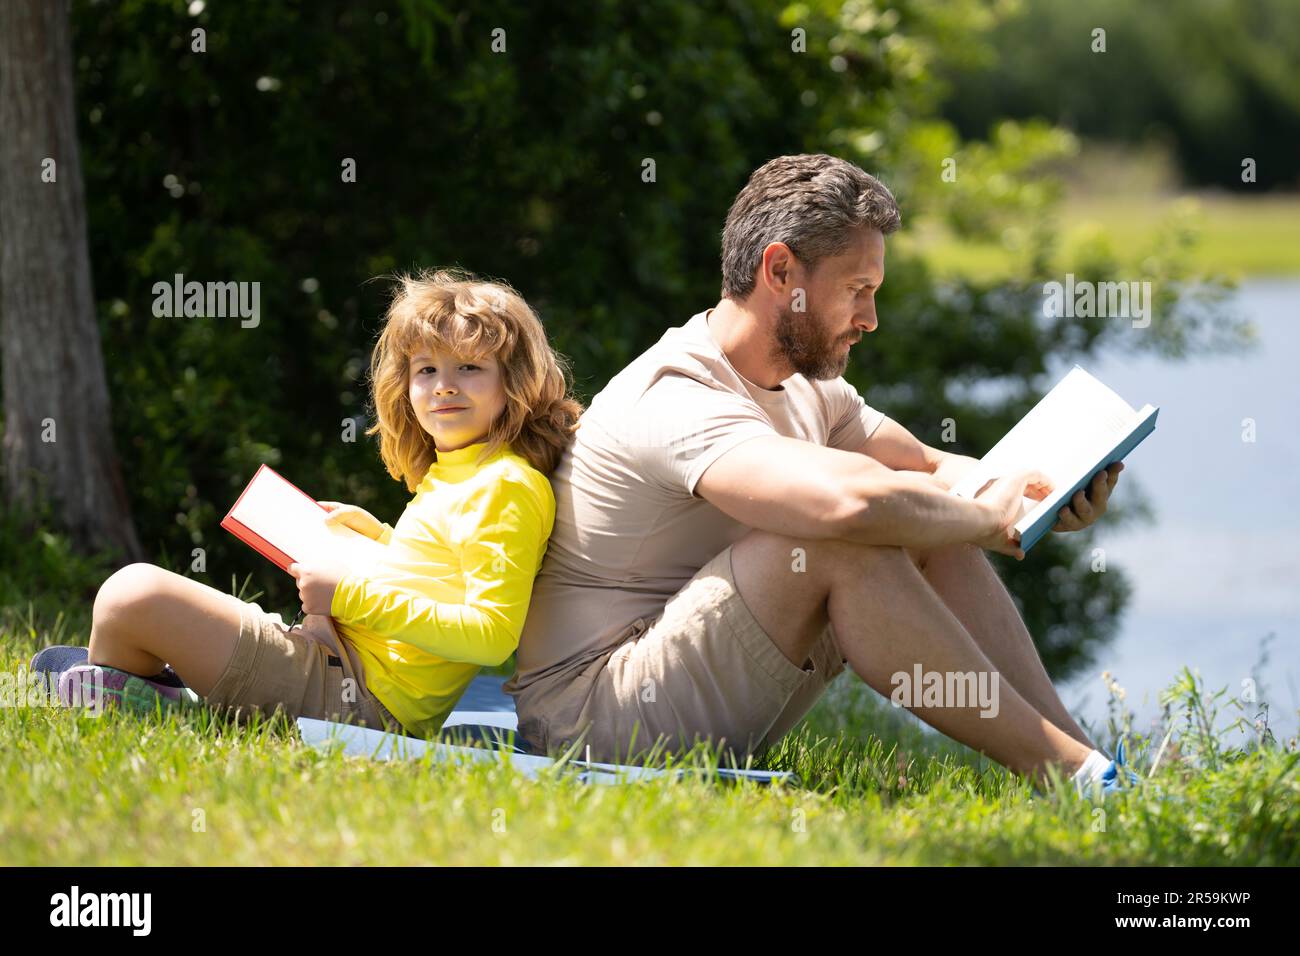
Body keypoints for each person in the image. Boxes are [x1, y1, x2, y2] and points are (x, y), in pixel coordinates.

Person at [505, 153, 1135, 795]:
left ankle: (1088, 767)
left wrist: (1040, 495)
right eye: (856, 290)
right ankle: (1067, 774)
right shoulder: (676, 392)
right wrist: (986, 517)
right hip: (591, 717)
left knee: (915, 523)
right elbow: (844, 507)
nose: (870, 319)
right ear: (780, 271)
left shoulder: (807, 389)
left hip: (687, 692)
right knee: (832, 539)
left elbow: (940, 469)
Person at [50, 268, 580, 740]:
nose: (444, 387)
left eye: (469, 368)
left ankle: (155, 698)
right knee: (128, 600)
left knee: (132, 595)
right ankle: (157, 695)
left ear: (514, 383)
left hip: (362, 702)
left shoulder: (506, 485)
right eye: (426, 370)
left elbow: (491, 637)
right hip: (336, 658)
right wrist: (380, 539)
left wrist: (348, 596)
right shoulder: (458, 472)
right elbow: (446, 571)